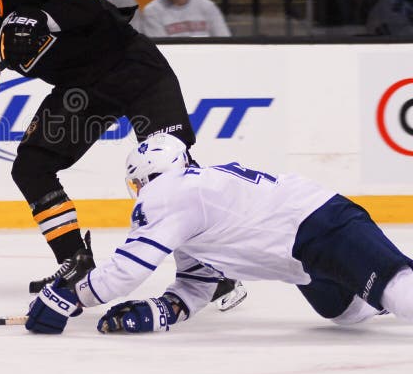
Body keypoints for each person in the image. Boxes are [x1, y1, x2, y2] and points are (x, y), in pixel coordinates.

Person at [0, 0, 240, 301]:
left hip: (130, 64)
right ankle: (75, 261)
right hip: (80, 91)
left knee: (171, 164)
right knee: (31, 167)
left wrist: (41, 18)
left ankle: (210, 268)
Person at [25, 133, 413, 335]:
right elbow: (198, 280)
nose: (140, 195)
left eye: (138, 185)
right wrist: (162, 311)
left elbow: (128, 270)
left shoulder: (170, 192)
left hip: (320, 226)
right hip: (303, 261)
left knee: (400, 294)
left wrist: (69, 297)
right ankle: (373, 289)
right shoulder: (194, 206)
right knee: (347, 314)